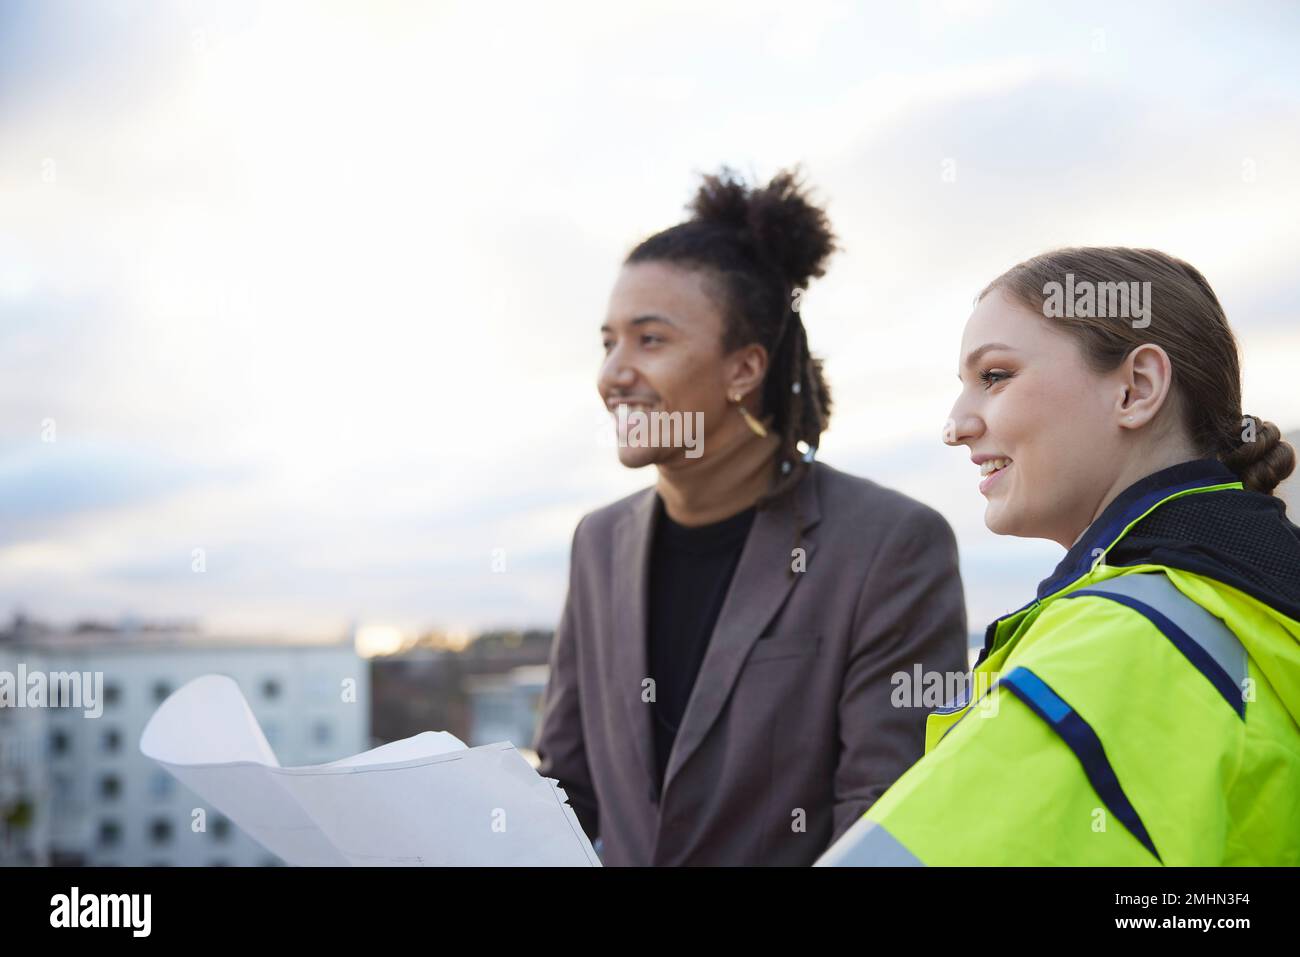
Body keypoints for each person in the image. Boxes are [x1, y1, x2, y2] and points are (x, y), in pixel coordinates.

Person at [533, 168, 968, 865]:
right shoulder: (598, 542)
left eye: (650, 340)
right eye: (608, 341)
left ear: (744, 369)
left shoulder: (890, 545)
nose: (613, 373)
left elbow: (884, 829)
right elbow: (562, 794)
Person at [818, 246, 1300, 866]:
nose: (955, 425)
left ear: (1136, 388)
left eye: (994, 376)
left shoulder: (1122, 640)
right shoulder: (1244, 604)